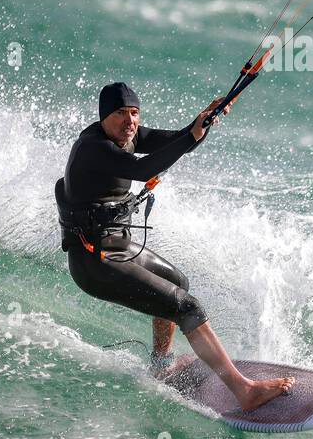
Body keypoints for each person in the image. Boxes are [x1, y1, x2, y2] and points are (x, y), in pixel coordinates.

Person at [56, 81, 294, 412]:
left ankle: (161, 365)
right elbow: (143, 169)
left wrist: (203, 123)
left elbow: (178, 141)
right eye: (121, 115)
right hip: (95, 261)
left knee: (178, 284)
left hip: (119, 247)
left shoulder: (129, 136)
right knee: (188, 307)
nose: (130, 122)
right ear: (103, 118)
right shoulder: (92, 148)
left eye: (135, 114)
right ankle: (245, 390)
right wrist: (191, 136)